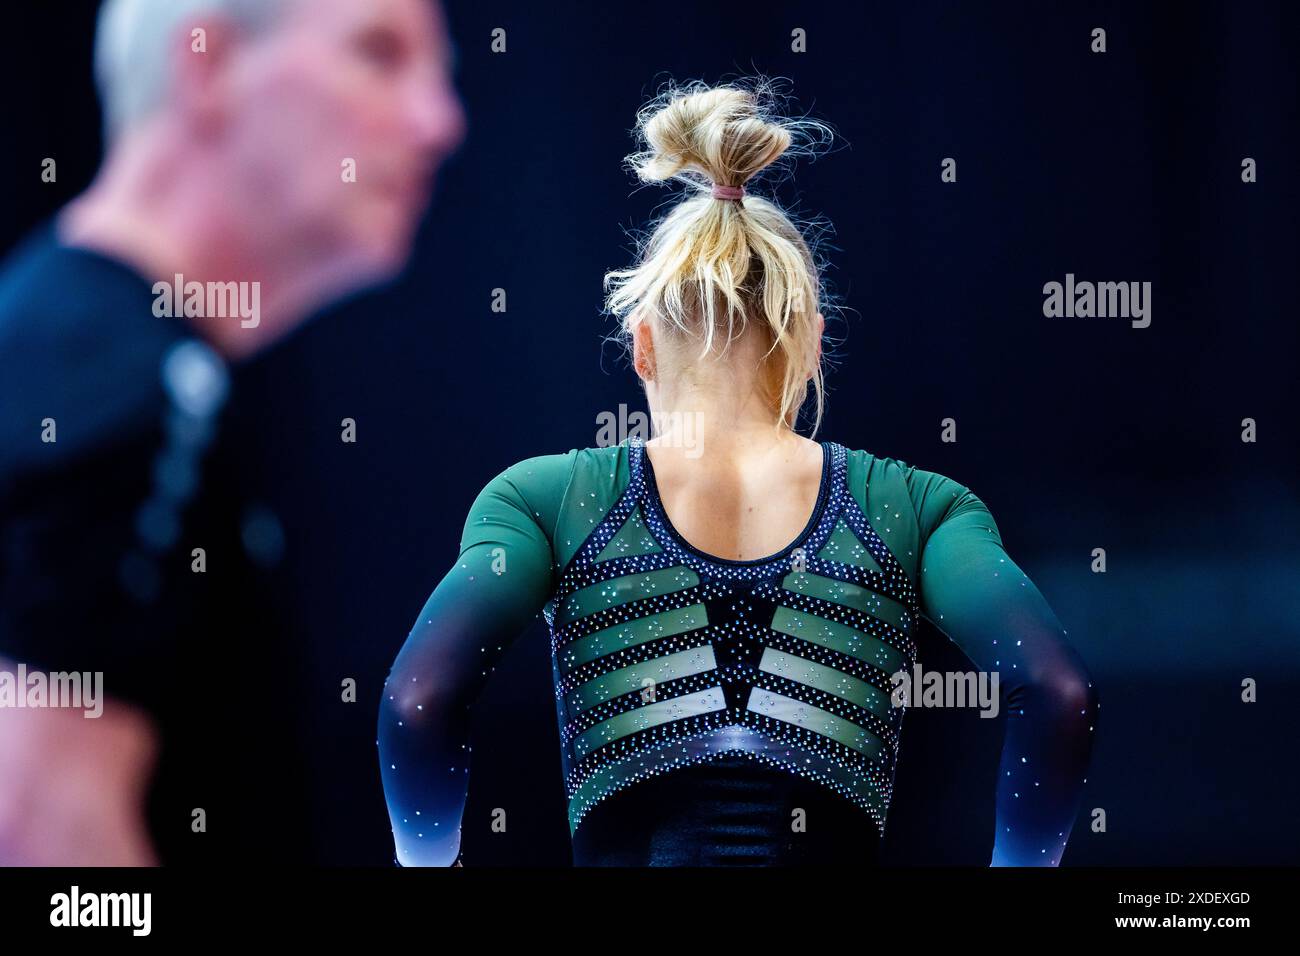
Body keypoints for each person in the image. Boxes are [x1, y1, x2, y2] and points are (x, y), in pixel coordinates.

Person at [378, 80, 1097, 867]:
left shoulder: (546, 502)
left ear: (643, 344)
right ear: (811, 342)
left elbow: (418, 703)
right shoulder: (916, 510)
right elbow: (1059, 695)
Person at [0, 0, 464, 865]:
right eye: (378, 53)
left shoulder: (70, 345)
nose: (440, 121)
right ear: (206, 67)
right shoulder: (132, 387)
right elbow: (37, 832)